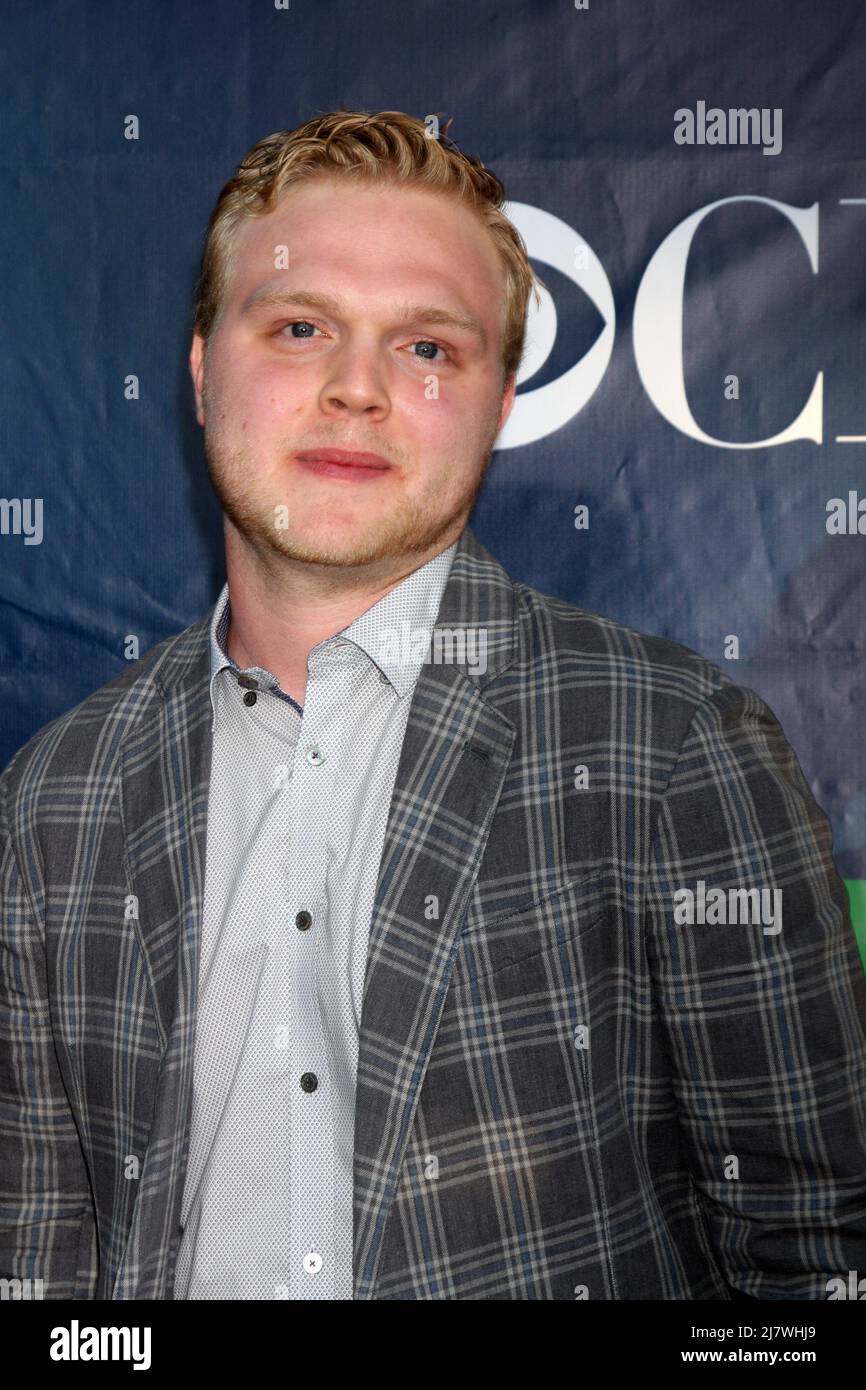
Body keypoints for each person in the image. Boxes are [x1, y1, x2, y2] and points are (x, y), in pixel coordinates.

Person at [1, 108, 864, 1302]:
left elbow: (814, 1254)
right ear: (202, 369)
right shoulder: (53, 796)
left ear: (499, 401)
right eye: (300, 327)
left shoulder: (669, 747)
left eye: (425, 349)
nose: (356, 389)